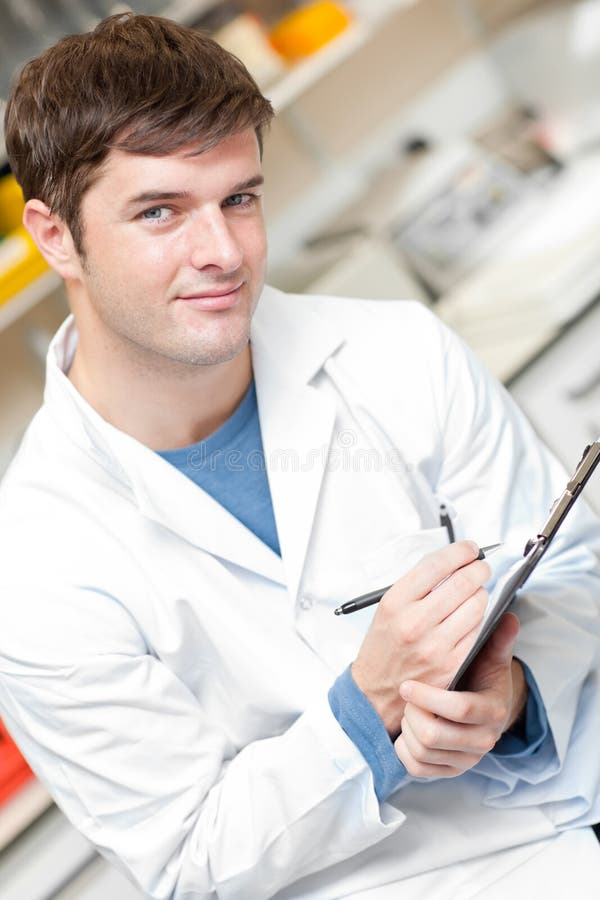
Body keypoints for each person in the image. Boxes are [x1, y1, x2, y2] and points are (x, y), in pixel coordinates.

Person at [0, 13, 599, 900]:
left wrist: (509, 699)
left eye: (239, 198)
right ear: (55, 237)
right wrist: (369, 709)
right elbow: (188, 862)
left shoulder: (399, 354)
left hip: (564, 817)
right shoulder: (32, 565)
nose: (222, 253)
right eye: (160, 211)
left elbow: (578, 578)